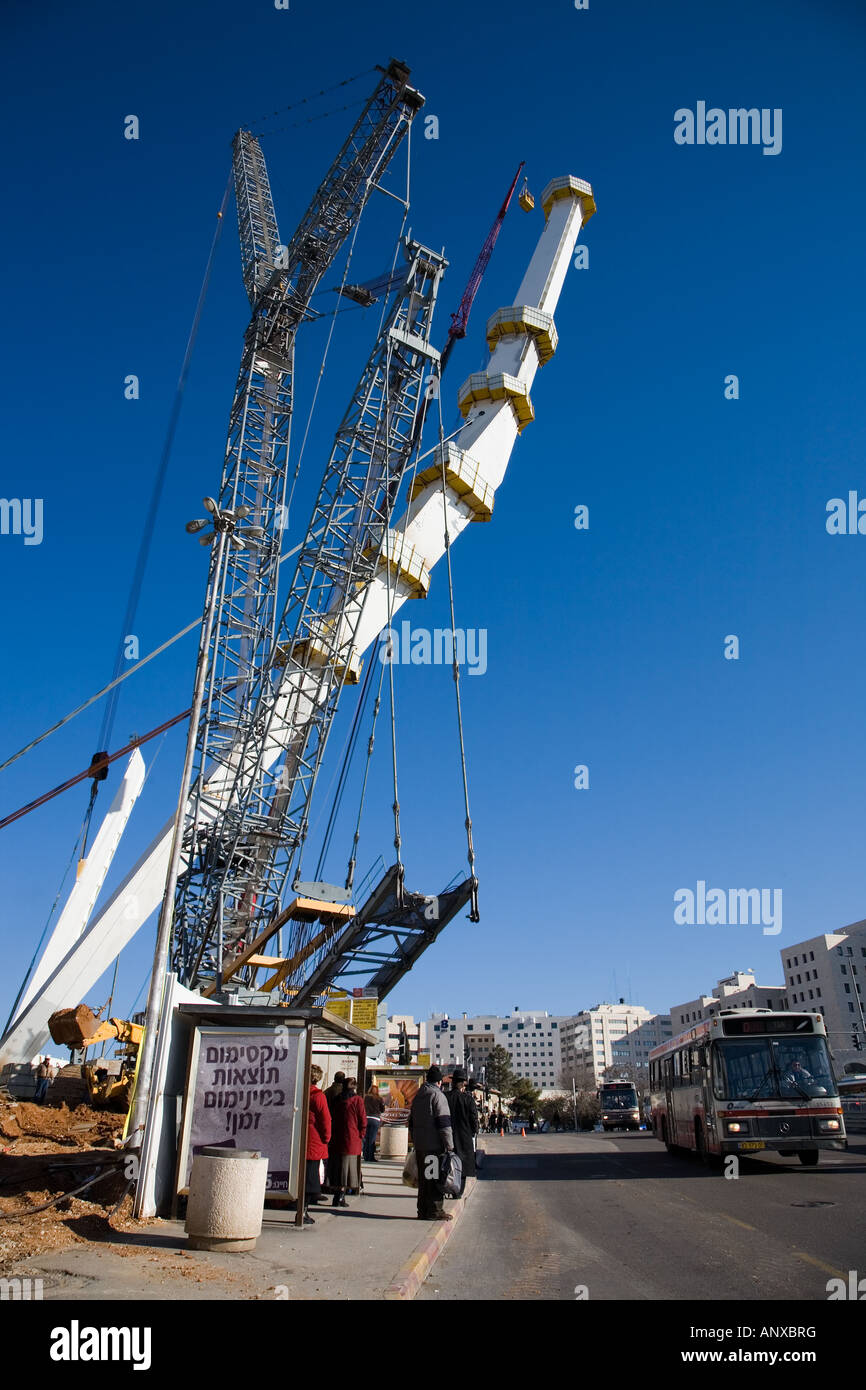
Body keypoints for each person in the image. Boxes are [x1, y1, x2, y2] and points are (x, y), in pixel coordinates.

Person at [408, 1065, 454, 1221]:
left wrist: (415, 1139)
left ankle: (422, 1210)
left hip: (420, 1145)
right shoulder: (438, 1096)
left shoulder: (418, 1095)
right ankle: (434, 1211)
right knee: (434, 1178)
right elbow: (444, 1123)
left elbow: (411, 1121)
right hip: (433, 1145)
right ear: (439, 1082)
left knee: (423, 1180)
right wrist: (449, 1145)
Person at [328, 1076, 366, 1207]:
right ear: (354, 1087)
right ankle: (341, 1196)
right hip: (351, 1138)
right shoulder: (357, 1100)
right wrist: (361, 1134)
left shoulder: (337, 1099)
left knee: (338, 1168)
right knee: (347, 1170)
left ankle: (336, 1195)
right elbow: (362, 1119)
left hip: (337, 1138)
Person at [305, 1064, 332, 1224]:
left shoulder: (300, 1092)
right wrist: (326, 1138)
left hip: (301, 1138)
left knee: (303, 1175)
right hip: (314, 1140)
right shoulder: (318, 1095)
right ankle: (304, 1210)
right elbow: (325, 1119)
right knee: (311, 1176)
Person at [446, 1068, 478, 1197]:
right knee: (462, 1166)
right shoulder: (468, 1099)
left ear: (453, 1082)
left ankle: (448, 1187)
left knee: (448, 1163)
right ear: (463, 1083)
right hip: (464, 1135)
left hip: (448, 1134)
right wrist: (474, 1131)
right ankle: (458, 1191)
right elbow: (473, 1117)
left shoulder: (446, 1097)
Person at [363, 1079, 385, 1162]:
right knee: (372, 1139)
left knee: (366, 1138)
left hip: (366, 1118)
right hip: (375, 1119)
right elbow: (382, 1110)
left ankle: (365, 1156)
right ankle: (370, 1157)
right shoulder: (379, 1099)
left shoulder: (365, 1097)